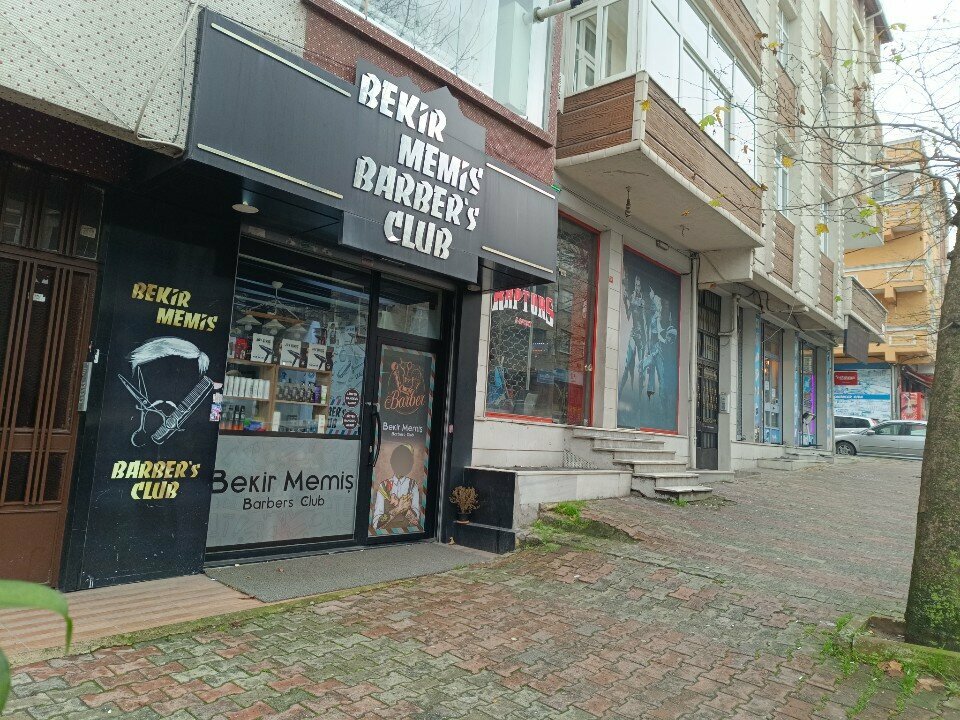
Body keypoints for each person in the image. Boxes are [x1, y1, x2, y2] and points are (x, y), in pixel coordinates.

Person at [371, 444, 422, 532]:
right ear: (392, 462)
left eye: (406, 461)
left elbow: (416, 522)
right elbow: (376, 524)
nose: (402, 464)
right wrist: (399, 507)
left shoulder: (412, 485)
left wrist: (401, 507)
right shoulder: (383, 486)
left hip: (406, 532)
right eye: (398, 460)